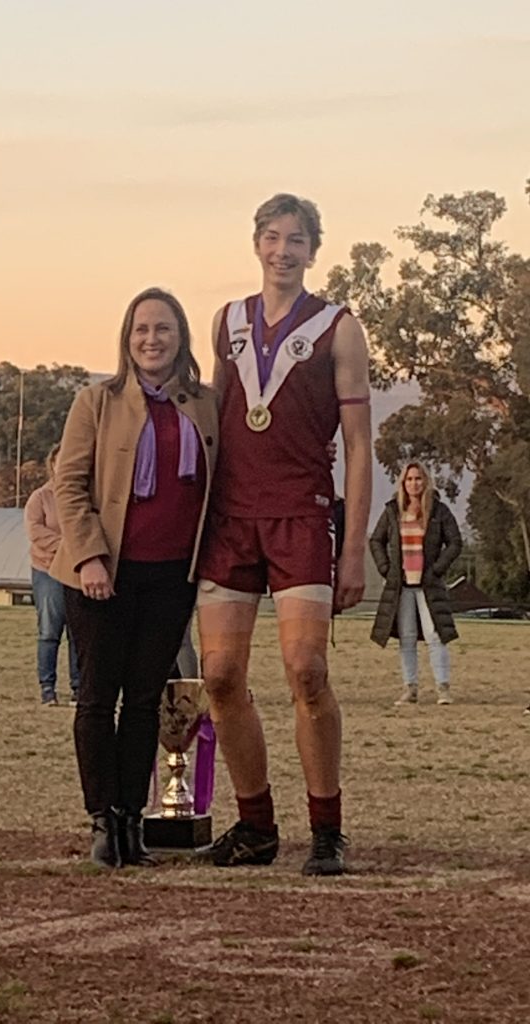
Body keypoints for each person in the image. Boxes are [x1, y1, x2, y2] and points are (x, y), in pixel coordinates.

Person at [196, 193, 372, 876]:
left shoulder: (339, 328)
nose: (282, 251)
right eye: (272, 238)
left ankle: (326, 826)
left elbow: (360, 446)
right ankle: (256, 824)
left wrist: (351, 548)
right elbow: (215, 420)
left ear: (313, 249)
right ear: (256, 244)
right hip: (232, 520)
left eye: (296, 240)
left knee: (307, 669)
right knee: (218, 676)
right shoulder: (227, 322)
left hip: (302, 515)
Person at [51, 287, 218, 869]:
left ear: (181, 337)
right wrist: (90, 557)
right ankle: (104, 821)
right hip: (102, 576)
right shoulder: (96, 402)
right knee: (98, 698)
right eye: (142, 329)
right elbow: (67, 487)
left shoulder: (205, 404)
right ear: (127, 338)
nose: (152, 339)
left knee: (146, 702)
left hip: (173, 577)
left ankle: (133, 821)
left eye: (164, 329)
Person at [369, 461, 462, 706]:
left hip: (428, 584)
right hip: (401, 585)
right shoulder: (392, 511)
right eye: (409, 479)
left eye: (418, 479)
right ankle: (410, 689)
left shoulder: (439, 511)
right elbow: (376, 541)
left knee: (435, 636)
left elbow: (455, 542)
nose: (414, 484)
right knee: (407, 637)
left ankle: (443, 689)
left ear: (425, 481)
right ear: (403, 483)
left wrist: (438, 569)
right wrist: (386, 569)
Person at [24, 445, 81, 706]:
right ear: (53, 464)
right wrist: (67, 545)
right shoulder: (41, 497)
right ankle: (47, 688)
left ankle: (78, 688)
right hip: (48, 571)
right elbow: (35, 531)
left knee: (78, 632)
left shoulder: (83, 495)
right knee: (49, 631)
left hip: (77, 571)